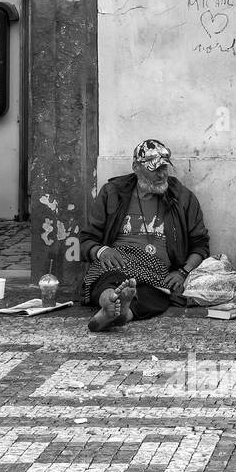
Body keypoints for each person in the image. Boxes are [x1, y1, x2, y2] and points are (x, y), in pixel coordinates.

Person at [78, 139, 210, 331]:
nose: (162, 174)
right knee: (109, 277)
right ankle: (111, 301)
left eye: (164, 167)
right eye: (154, 169)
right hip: (119, 262)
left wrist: (183, 272)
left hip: (156, 270)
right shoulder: (113, 193)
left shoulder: (182, 197)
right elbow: (87, 239)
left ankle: (123, 312)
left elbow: (200, 244)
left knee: (157, 295)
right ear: (136, 167)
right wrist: (102, 251)